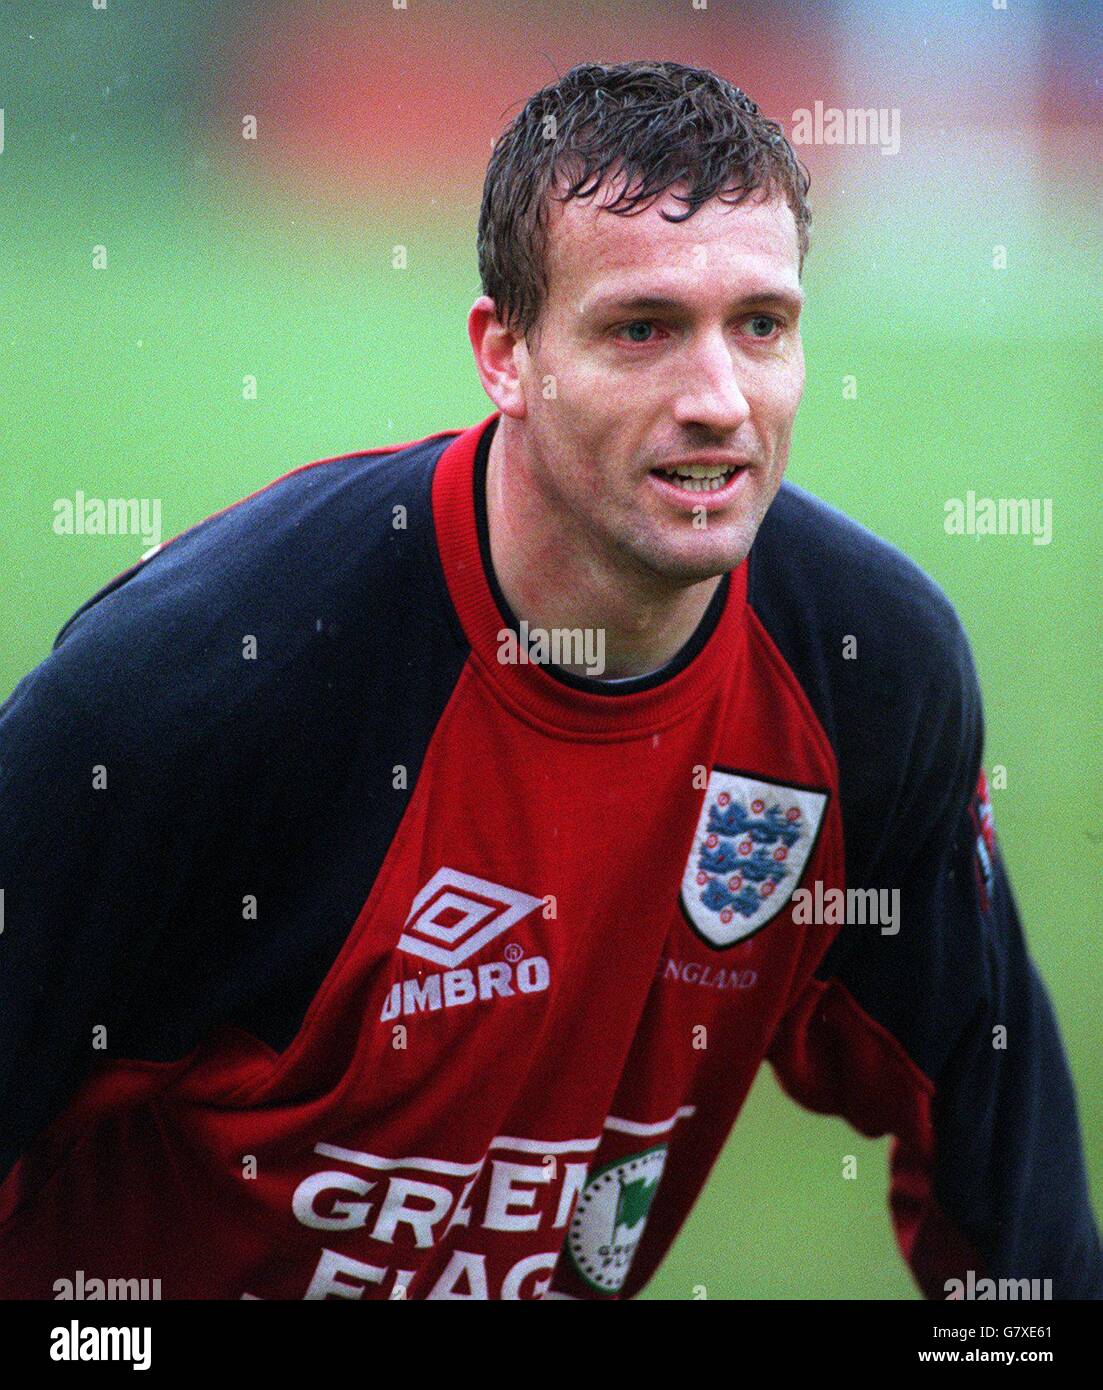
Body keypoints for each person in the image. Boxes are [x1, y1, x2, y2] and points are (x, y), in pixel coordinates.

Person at [0, 60, 1098, 1301]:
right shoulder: (192, 694)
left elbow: (1009, 1189)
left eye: (761, 325)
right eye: (641, 329)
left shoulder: (867, 673)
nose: (717, 400)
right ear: (504, 353)